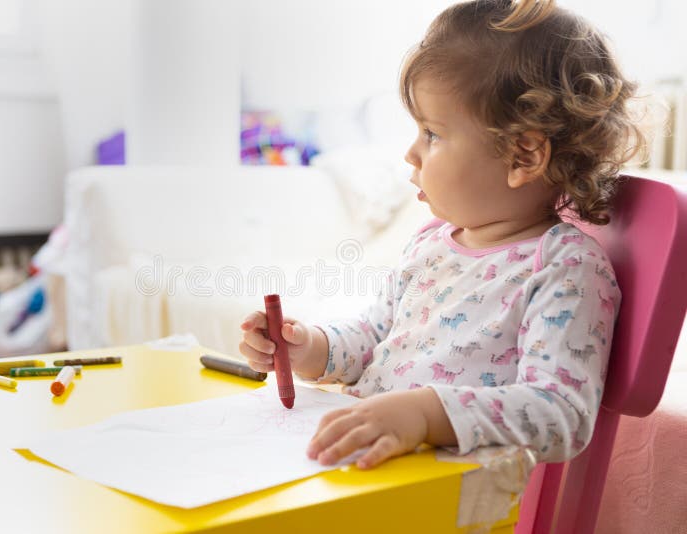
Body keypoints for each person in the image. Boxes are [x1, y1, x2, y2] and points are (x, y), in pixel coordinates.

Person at [239, 0, 644, 470]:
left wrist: (425, 414)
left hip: (451, 500)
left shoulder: (564, 267)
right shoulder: (430, 242)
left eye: (432, 133)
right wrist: (307, 347)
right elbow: (373, 336)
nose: (411, 152)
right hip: (370, 476)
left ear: (523, 156)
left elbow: (560, 414)